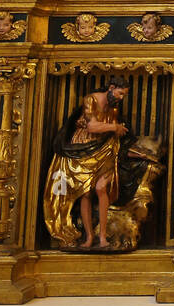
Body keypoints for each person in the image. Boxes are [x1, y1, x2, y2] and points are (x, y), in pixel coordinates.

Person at [43, 77, 130, 250]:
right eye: (120, 93)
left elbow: (108, 126)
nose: (121, 98)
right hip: (84, 146)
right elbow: (92, 127)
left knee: (101, 188)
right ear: (111, 87)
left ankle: (103, 236)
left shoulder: (113, 106)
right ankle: (90, 237)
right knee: (86, 192)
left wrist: (116, 129)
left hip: (105, 148)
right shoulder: (91, 99)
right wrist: (114, 127)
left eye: (124, 95)